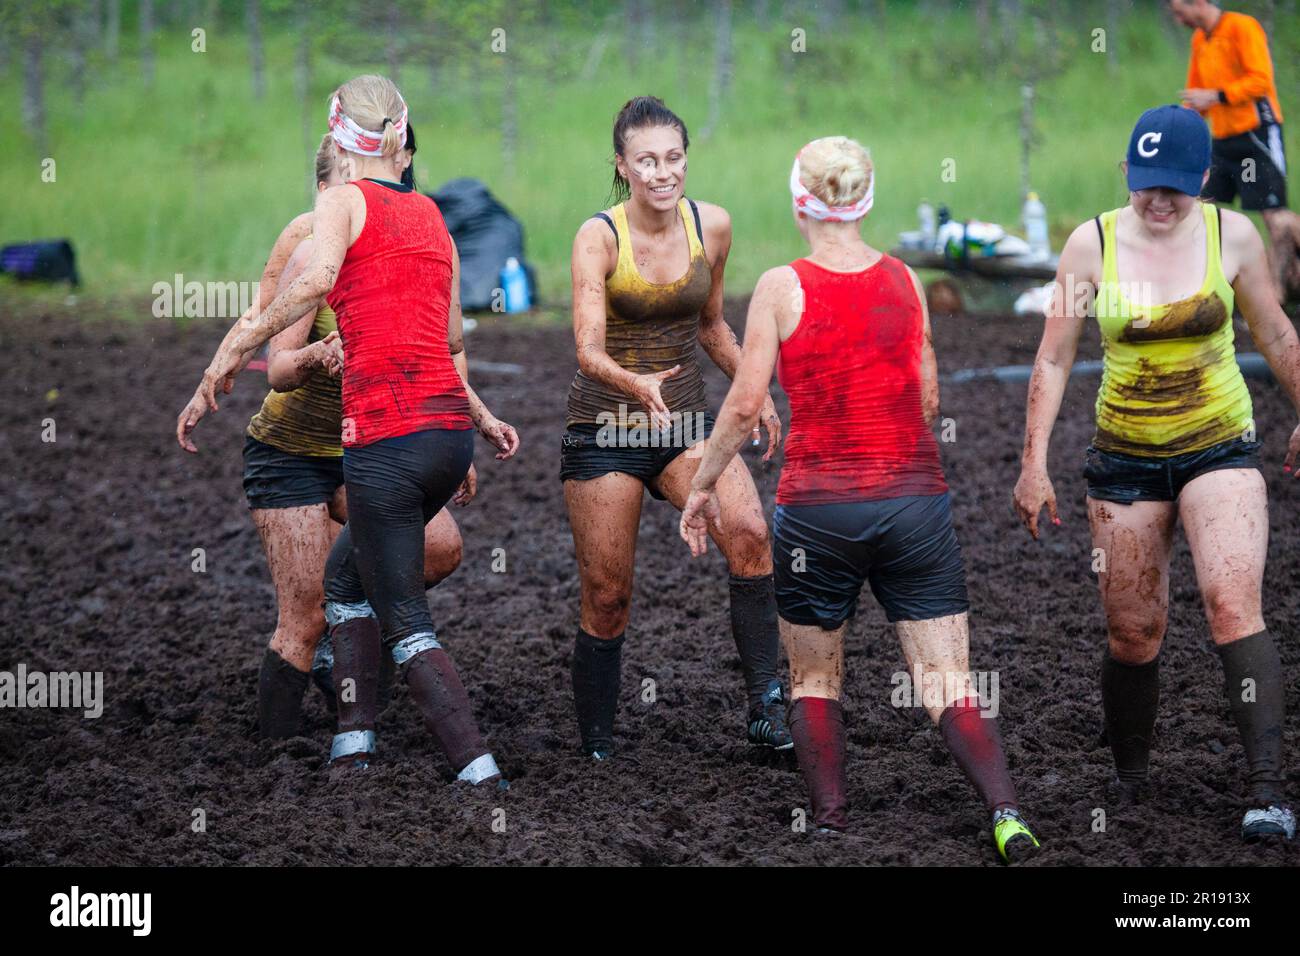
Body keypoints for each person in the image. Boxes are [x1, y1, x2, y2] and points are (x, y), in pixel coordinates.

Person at [680, 137, 1040, 862]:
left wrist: (702, 482)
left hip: (819, 512)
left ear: (799, 203)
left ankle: (831, 822)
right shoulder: (906, 279)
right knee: (947, 679)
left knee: (814, 677)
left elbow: (745, 405)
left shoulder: (781, 287)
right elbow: (929, 396)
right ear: (866, 201)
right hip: (915, 504)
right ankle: (1006, 813)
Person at [180, 75, 519, 786]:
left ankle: (431, 752)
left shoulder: (376, 214)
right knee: (320, 602)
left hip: (376, 442)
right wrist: (473, 420)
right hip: (322, 448)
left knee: (401, 588)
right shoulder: (371, 224)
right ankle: (315, 748)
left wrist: (226, 354)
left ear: (343, 141)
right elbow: (292, 362)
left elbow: (420, 334)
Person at [1014, 104, 1300, 841]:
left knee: (1231, 604)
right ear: (1127, 175)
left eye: (1174, 186)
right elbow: (1053, 356)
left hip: (1219, 444)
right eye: (1146, 185)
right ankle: (1132, 784)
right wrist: (1033, 462)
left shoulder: (1233, 235)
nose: (1159, 200)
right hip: (1124, 458)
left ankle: (1268, 792)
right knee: (1134, 633)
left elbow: (1273, 330)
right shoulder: (1091, 244)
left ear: (1202, 178)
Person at [563, 96, 791, 761]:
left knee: (750, 534)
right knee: (609, 596)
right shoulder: (598, 237)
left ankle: (766, 711)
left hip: (686, 426)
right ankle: (597, 748)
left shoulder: (711, 226)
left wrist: (756, 388)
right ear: (622, 165)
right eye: (646, 161)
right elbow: (587, 349)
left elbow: (711, 326)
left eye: (673, 158)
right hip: (605, 430)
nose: (662, 173)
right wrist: (636, 384)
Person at [1168, 0, 1299, 300]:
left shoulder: (1242, 27)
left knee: (1275, 216)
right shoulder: (1200, 38)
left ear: (1197, 3)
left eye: (1179, 12)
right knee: (1201, 206)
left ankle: (1277, 296)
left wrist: (1217, 96)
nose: (1179, 20)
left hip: (1257, 132)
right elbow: (1196, 95)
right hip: (1222, 138)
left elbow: (1260, 80)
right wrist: (1179, 125)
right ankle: (1206, 286)